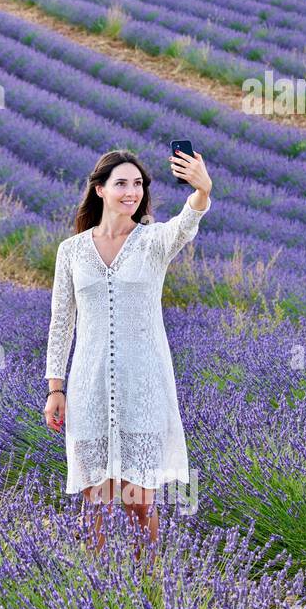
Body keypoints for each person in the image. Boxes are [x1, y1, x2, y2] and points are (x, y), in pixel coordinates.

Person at [42, 148, 213, 566]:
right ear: (99, 190)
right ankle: (99, 594)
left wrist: (202, 189)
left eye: (138, 184)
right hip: (89, 387)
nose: (131, 192)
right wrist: (55, 388)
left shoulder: (154, 242)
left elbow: (187, 223)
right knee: (95, 503)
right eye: (122, 183)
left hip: (143, 387)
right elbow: (61, 322)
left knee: (139, 503)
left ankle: (149, 590)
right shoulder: (72, 251)